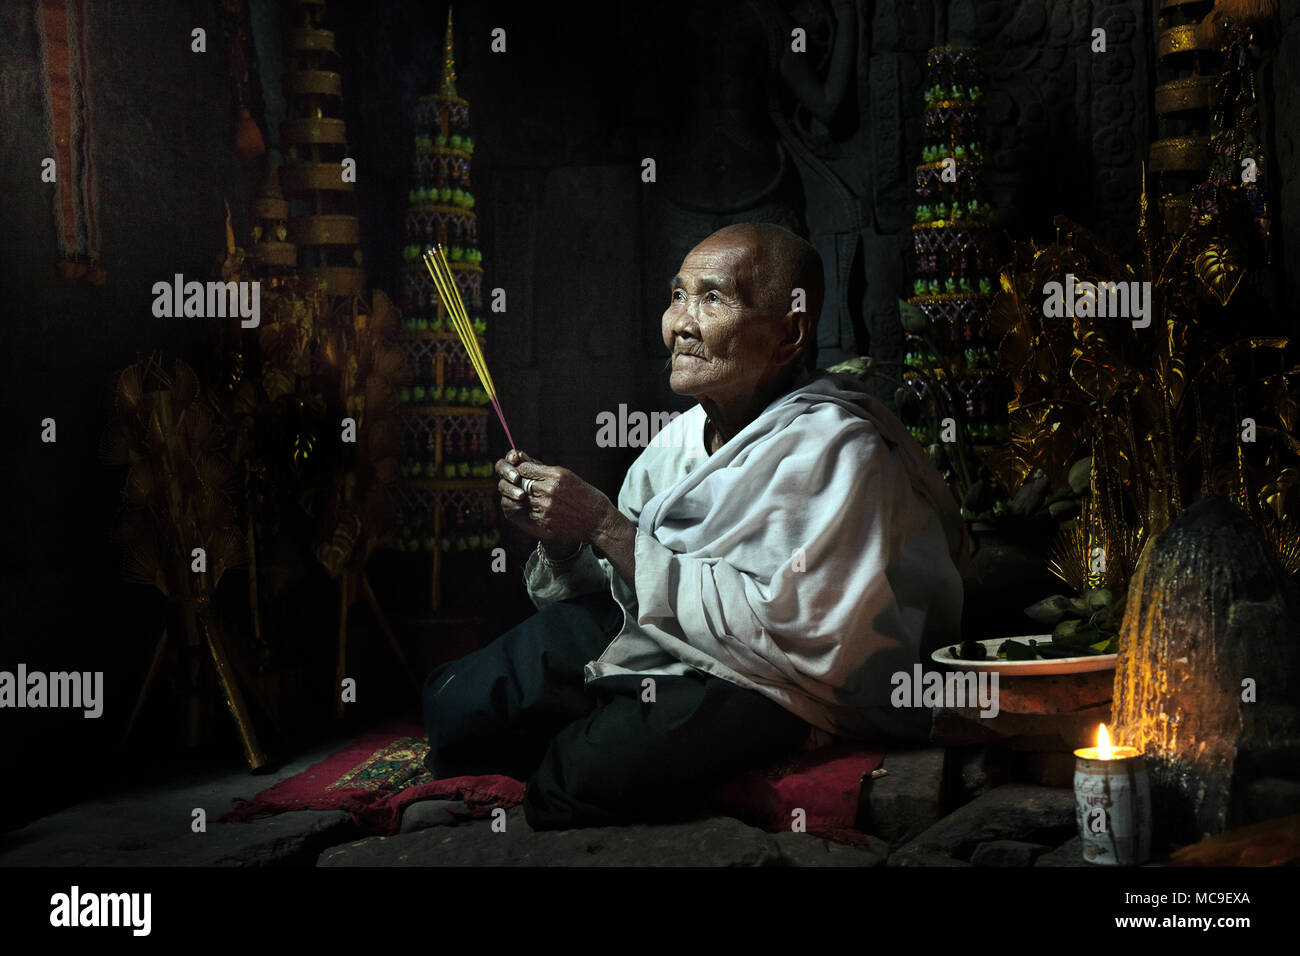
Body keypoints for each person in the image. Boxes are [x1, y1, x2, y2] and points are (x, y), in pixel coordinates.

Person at [422, 221, 968, 830]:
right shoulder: (681, 438)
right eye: (678, 295)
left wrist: (604, 524)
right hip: (662, 634)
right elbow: (611, 587)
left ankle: (599, 735)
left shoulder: (840, 450)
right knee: (458, 707)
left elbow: (812, 640)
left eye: (712, 298)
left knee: (576, 780)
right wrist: (562, 537)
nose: (680, 322)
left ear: (789, 333)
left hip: (773, 678)